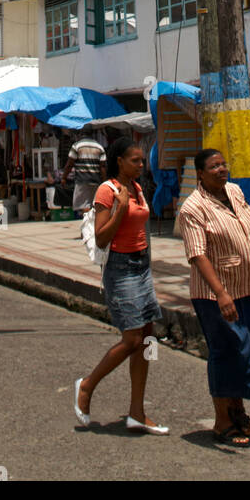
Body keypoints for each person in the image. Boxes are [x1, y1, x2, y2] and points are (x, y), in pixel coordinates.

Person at [178, 149, 250, 446]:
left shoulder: (235, 192)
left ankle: (238, 405)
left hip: (249, 288)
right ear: (200, 173)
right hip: (215, 296)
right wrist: (221, 293)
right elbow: (197, 254)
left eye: (224, 164)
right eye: (214, 166)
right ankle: (224, 418)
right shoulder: (192, 208)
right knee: (227, 352)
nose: (222, 169)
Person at [74, 136, 167, 435]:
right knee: (131, 339)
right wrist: (119, 209)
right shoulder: (108, 190)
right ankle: (87, 386)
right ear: (119, 161)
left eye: (142, 160)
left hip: (141, 267)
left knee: (146, 337)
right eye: (135, 160)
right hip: (121, 269)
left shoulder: (137, 188)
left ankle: (137, 413)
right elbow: (102, 237)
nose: (141, 165)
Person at [62, 131, 106, 216]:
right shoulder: (99, 147)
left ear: (81, 134)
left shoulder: (77, 146)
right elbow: (103, 167)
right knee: (93, 204)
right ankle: (91, 225)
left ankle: (87, 224)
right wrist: (104, 182)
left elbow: (70, 164)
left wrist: (64, 177)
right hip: (95, 180)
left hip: (82, 180)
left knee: (84, 205)